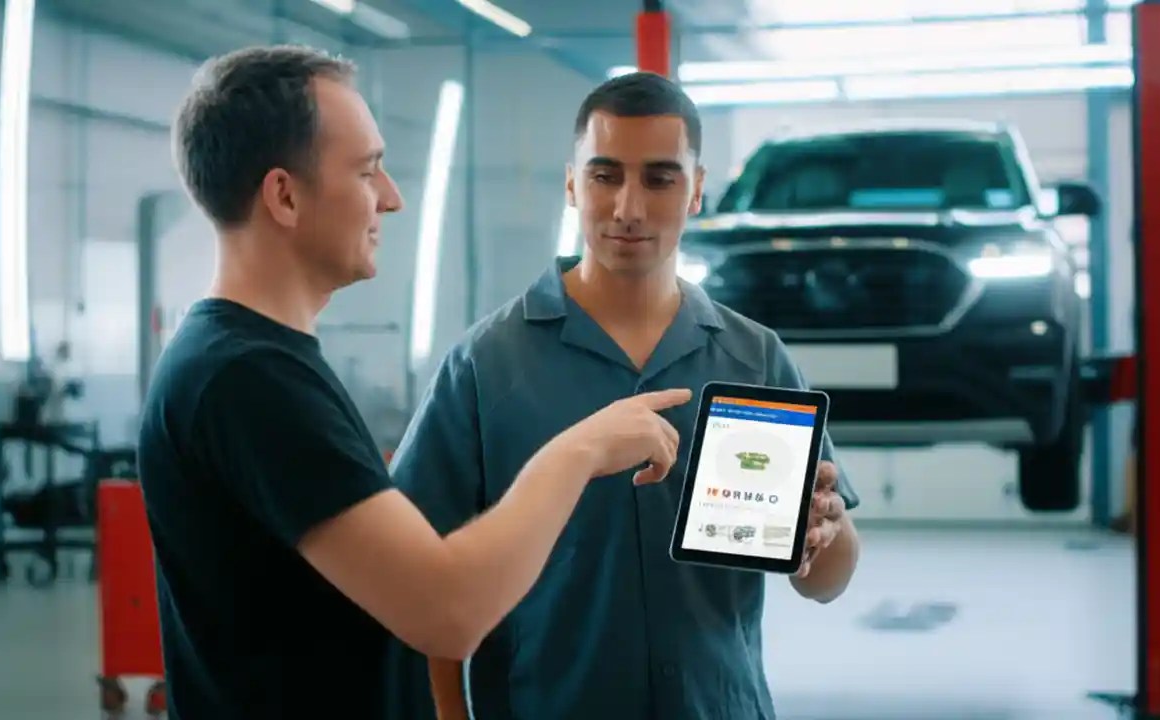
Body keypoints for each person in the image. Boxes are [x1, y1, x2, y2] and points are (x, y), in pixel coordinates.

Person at [136, 47, 694, 720]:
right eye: (369, 169)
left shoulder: (253, 363)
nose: (391, 198)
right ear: (284, 195)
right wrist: (580, 452)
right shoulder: (246, 379)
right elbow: (447, 609)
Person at [384, 72, 862, 720]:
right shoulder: (486, 365)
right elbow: (419, 571)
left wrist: (823, 536)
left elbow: (826, 582)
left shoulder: (756, 359)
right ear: (572, 182)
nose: (629, 207)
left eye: (660, 178)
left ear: (695, 189)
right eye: (606, 175)